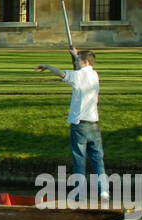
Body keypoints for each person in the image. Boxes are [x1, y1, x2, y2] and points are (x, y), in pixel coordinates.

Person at [35, 46, 107, 200]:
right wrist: (75, 55)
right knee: (97, 159)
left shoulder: (78, 76)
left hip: (79, 125)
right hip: (94, 124)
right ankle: (103, 192)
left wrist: (48, 66)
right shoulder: (95, 75)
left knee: (79, 161)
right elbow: (79, 70)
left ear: (85, 61)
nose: (77, 62)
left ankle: (79, 195)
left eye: (79, 60)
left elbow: (62, 74)